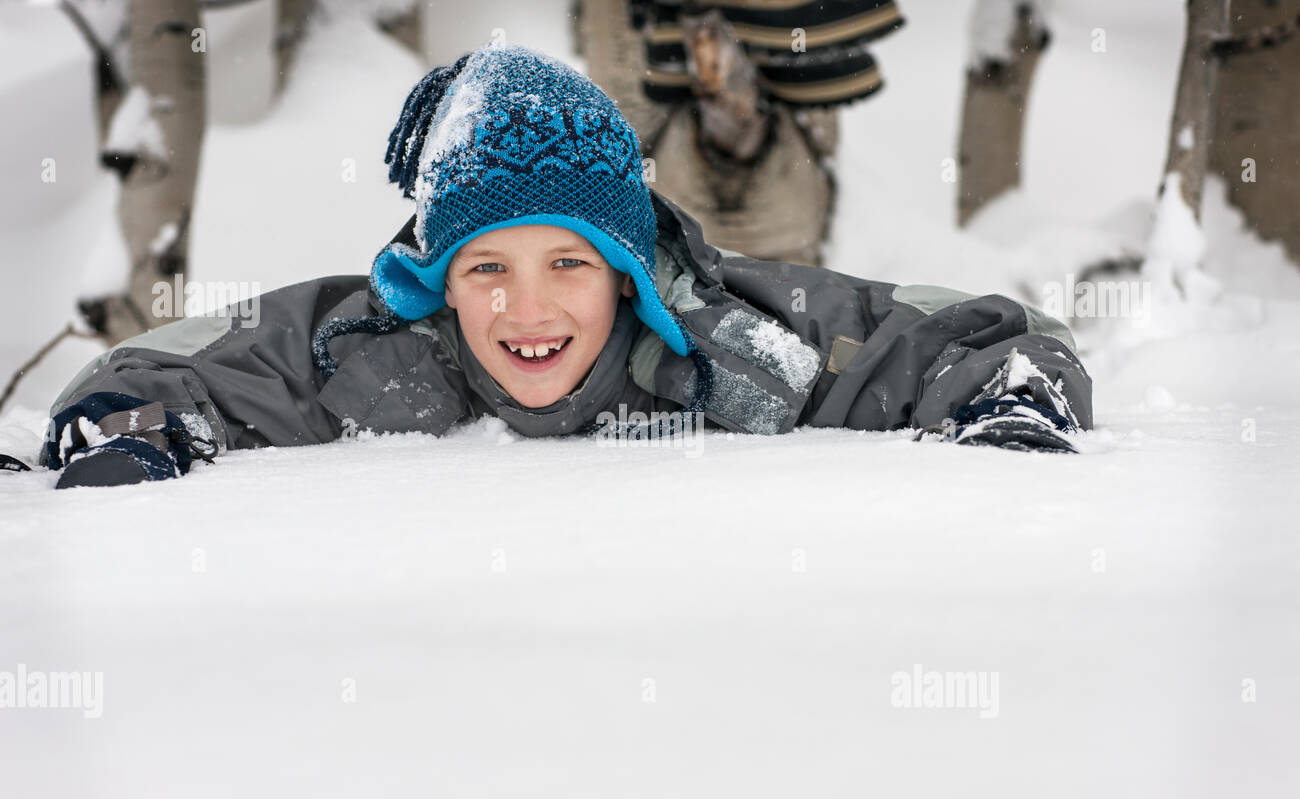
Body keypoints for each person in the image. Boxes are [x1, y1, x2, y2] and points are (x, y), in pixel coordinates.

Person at [38, 42, 1092, 489]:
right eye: (484, 266)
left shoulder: (736, 332)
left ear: (631, 272)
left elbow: (972, 334)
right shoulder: (363, 342)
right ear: (433, 279)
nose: (525, 307)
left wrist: (1013, 399)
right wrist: (133, 433)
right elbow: (169, 366)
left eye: (569, 264)